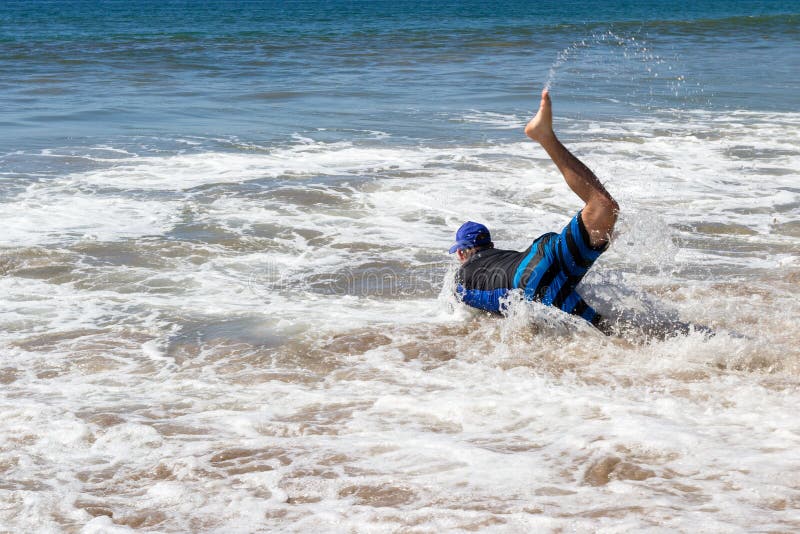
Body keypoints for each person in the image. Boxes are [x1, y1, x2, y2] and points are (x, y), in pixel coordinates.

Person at [449, 89, 619, 334]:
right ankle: (546, 137)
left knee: (610, 335)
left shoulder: (461, 281)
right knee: (604, 207)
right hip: (544, 250)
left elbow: (492, 312)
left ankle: (545, 136)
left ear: (462, 252)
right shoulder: (498, 255)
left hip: (530, 277)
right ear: (490, 245)